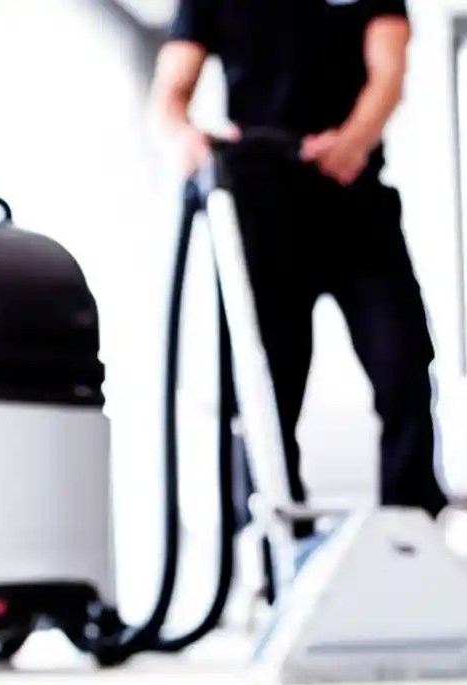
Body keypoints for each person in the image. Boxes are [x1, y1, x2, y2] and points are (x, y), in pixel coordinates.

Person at [152, 0, 448, 535]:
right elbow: (170, 92)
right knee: (265, 393)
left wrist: (354, 140)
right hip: (260, 207)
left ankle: (411, 540)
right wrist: (185, 138)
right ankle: (280, 551)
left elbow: (389, 71)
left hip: (352, 194)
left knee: (402, 367)